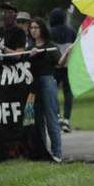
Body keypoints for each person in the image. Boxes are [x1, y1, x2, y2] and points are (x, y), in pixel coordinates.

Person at [28, 17, 62, 161]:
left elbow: (60, 62)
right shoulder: (29, 47)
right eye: (31, 28)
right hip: (33, 84)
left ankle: (57, 153)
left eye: (36, 27)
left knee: (51, 118)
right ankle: (43, 152)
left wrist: (67, 52)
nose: (33, 30)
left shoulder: (50, 45)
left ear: (42, 29)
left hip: (47, 82)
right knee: (37, 120)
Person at [48, 8, 77, 132]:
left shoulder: (50, 32)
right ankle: (67, 120)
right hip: (68, 67)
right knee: (68, 93)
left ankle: (58, 116)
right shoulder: (71, 31)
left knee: (53, 93)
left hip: (55, 67)